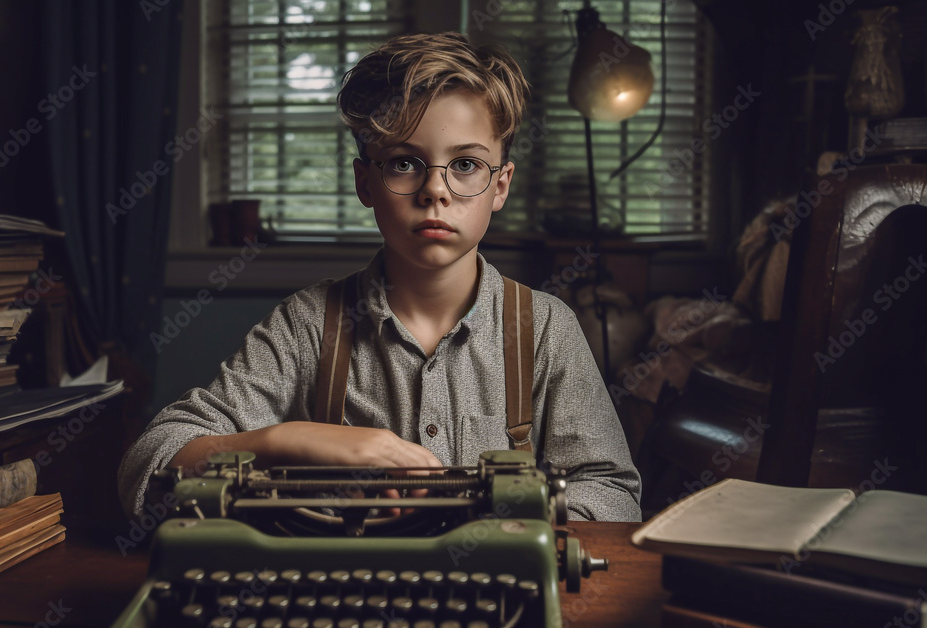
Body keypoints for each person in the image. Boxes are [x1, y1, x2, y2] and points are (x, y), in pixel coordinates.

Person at [118, 32, 641, 522]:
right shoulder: (306, 326)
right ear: (364, 180)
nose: (435, 191)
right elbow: (148, 463)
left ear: (500, 186)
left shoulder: (546, 330)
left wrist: (489, 520)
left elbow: (612, 492)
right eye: (404, 163)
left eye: (464, 165)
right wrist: (287, 440)